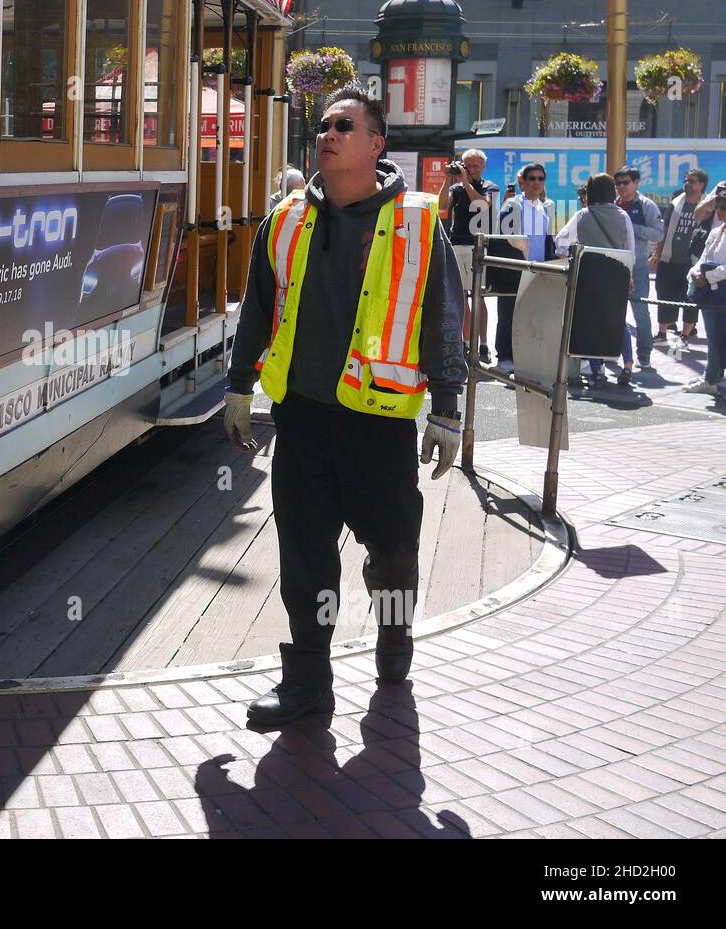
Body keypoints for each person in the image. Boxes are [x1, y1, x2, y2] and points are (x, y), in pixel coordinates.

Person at [222, 84, 466, 730]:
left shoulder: (417, 221)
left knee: (391, 551)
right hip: (301, 420)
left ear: (375, 143)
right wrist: (238, 385)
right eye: (324, 124)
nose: (326, 133)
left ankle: (393, 636)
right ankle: (307, 685)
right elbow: (257, 309)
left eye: (343, 124)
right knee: (305, 559)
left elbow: (446, 317)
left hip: (379, 426)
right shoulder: (285, 218)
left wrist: (447, 408)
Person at [554, 173, 636, 386]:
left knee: (590, 321)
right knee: (619, 320)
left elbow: (560, 240)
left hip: (588, 275)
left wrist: (571, 254)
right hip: (617, 275)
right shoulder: (622, 215)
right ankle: (627, 366)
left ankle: (597, 369)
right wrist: (630, 275)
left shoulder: (583, 215)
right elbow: (630, 250)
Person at [490, 163, 555, 374]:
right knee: (508, 314)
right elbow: (502, 238)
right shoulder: (512, 205)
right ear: (523, 183)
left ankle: (527, 357)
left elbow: (549, 240)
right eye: (532, 178)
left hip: (539, 271)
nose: (537, 182)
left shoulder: (547, 208)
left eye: (540, 179)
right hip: (514, 270)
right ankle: (505, 357)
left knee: (533, 316)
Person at [438, 148, 498, 365]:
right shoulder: (456, 187)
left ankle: (483, 345)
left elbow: (482, 205)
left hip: (478, 246)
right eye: (467, 165)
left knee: (479, 296)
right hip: (457, 244)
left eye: (475, 166)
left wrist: (466, 183)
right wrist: (447, 180)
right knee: (462, 297)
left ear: (483, 167)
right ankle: (464, 343)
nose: (471, 170)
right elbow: (441, 206)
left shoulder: (490, 186)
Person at [612, 165, 664, 370]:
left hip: (639, 266)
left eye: (626, 183)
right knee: (613, 312)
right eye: (618, 184)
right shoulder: (613, 204)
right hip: (615, 264)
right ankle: (613, 351)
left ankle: (644, 353)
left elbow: (659, 234)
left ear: (636, 183)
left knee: (640, 312)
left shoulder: (646, 205)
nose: (621, 187)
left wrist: (632, 228)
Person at [654, 169, 710, 345]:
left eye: (692, 181)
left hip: (693, 263)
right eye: (686, 180)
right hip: (669, 260)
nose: (687, 183)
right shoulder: (675, 203)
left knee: (690, 299)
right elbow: (664, 230)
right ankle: (662, 333)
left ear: (702, 184)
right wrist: (657, 253)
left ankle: (685, 335)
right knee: (664, 295)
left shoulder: (709, 207)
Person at [682, 183, 726, 396]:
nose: (719, 211)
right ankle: (712, 378)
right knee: (713, 336)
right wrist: (695, 273)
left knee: (720, 337)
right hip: (710, 293)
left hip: (721, 291)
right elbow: (704, 258)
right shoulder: (717, 231)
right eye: (719, 206)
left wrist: (707, 276)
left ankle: (713, 378)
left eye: (723, 207)